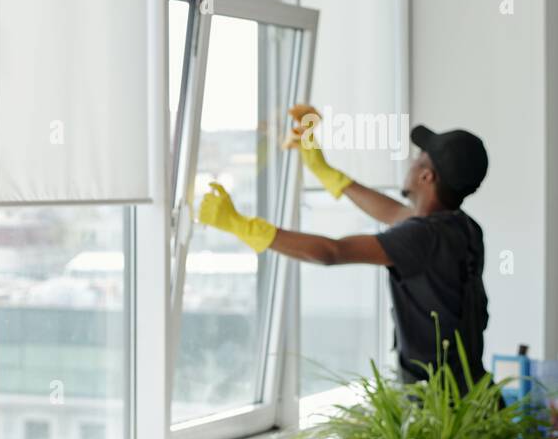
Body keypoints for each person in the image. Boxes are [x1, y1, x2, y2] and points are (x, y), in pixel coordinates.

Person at [196, 105, 490, 394]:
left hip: (441, 404)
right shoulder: (462, 227)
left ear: (427, 177)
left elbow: (331, 251)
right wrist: (325, 171)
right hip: (470, 392)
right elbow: (394, 213)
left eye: (418, 159)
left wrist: (241, 225)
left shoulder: (421, 237)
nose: (410, 163)